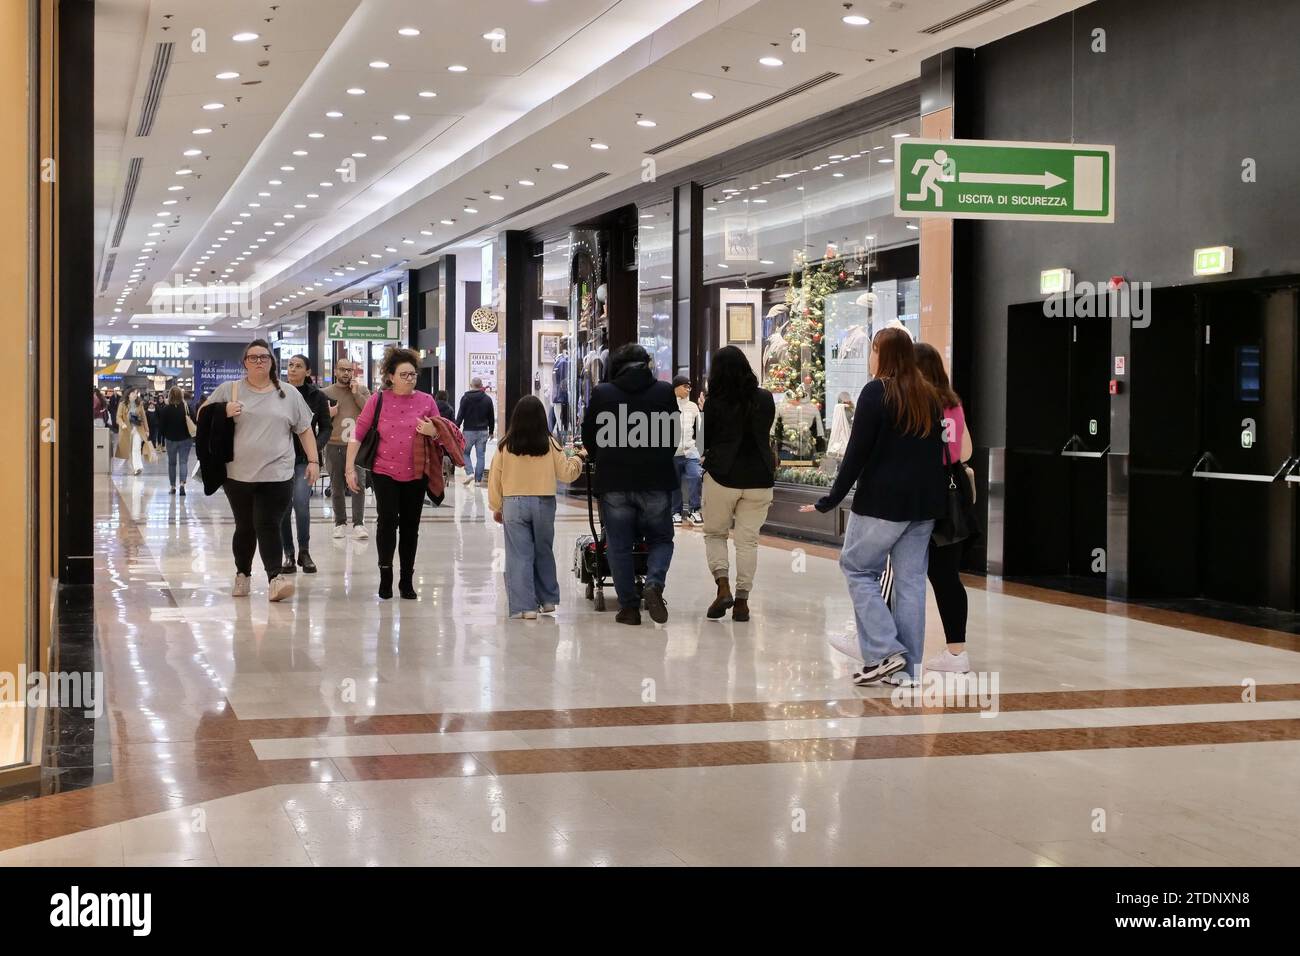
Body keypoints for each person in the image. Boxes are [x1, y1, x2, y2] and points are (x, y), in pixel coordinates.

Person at [799, 327, 946, 685]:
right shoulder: (928, 394)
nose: (870, 356)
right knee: (910, 584)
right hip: (923, 506)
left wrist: (831, 498)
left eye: (874, 349)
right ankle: (908, 671)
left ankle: (884, 651)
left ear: (884, 354)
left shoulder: (876, 392)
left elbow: (856, 454)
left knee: (858, 568)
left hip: (882, 503)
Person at [202, 340, 320, 602]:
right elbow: (201, 416)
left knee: (268, 523)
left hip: (278, 474)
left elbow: (304, 429)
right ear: (244, 362)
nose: (258, 362)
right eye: (253, 357)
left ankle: (275, 578)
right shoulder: (229, 389)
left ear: (271, 362)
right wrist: (223, 410)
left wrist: (313, 461)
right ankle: (242, 574)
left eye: (264, 357)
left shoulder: (289, 394)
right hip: (237, 475)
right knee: (245, 526)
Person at [580, 343, 678, 626]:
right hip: (656, 479)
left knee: (619, 545)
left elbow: (590, 435)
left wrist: (605, 458)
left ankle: (629, 608)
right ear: (647, 364)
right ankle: (654, 583)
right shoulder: (663, 391)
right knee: (660, 539)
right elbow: (672, 435)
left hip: (614, 481)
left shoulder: (603, 393)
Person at [345, 347, 441, 600]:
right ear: (390, 376)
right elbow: (358, 434)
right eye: (404, 375)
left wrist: (433, 431)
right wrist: (349, 469)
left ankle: (406, 579)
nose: (410, 379)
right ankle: (385, 574)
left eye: (413, 374)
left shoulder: (427, 401)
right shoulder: (378, 400)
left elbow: (441, 434)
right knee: (387, 522)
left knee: (411, 527)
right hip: (384, 471)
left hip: (417, 472)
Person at [489, 395, 584, 619]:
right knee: (543, 551)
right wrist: (579, 458)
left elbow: (495, 478)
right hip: (543, 503)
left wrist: (496, 506)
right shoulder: (550, 443)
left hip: (513, 503)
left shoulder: (505, 445)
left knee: (519, 555)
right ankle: (548, 600)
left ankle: (526, 607)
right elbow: (567, 474)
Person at [699, 347, 776, 623]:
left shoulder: (714, 402)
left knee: (716, 534)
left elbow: (702, 443)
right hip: (760, 478)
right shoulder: (766, 398)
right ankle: (742, 601)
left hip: (723, 476)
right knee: (748, 541)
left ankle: (723, 587)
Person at [915, 342, 974, 674]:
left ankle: (885, 644)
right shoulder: (954, 404)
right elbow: (962, 450)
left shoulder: (920, 403)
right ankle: (957, 651)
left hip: (923, 492)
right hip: (952, 496)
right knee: (946, 575)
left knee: (903, 571)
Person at [278, 355, 332, 574]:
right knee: (283, 507)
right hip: (280, 458)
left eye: (298, 366)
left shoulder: (317, 396)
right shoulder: (278, 393)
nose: (292, 369)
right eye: (290, 365)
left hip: (303, 460)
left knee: (301, 502)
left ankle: (304, 551)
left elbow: (327, 427)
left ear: (307, 372)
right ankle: (288, 554)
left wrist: (314, 449)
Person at [320, 357, 371, 539]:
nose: (346, 373)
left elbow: (370, 412)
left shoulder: (362, 390)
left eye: (349, 370)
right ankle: (340, 522)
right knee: (337, 485)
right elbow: (318, 419)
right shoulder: (326, 392)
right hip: (334, 444)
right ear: (335, 371)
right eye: (342, 370)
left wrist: (357, 394)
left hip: (357, 446)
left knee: (358, 484)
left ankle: (359, 523)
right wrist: (328, 414)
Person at [670, 374, 704, 526]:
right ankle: (675, 512)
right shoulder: (668, 405)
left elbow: (700, 430)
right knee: (674, 483)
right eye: (685, 386)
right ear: (676, 387)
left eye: (689, 386)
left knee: (696, 476)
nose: (688, 389)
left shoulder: (693, 407)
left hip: (691, 451)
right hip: (673, 452)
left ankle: (694, 510)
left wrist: (701, 450)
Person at [455, 377, 495, 485]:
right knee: (480, 455)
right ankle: (478, 480)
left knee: (464, 452)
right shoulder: (487, 399)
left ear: (471, 385)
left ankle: (469, 473)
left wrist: (455, 428)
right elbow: (491, 417)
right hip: (483, 431)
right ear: (481, 385)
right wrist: (491, 431)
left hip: (468, 431)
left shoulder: (465, 398)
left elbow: (460, 415)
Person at [158, 386, 196, 495]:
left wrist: (162, 438)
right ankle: (182, 485)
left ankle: (173, 487)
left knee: (172, 463)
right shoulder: (186, 407)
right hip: (185, 439)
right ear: (181, 395)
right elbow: (194, 421)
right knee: (183, 462)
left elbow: (161, 427)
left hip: (171, 440)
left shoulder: (166, 409)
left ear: (169, 396)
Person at [114, 388, 147, 475]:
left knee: (136, 448)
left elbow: (144, 418)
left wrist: (146, 430)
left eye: (137, 393)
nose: (135, 394)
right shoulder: (122, 404)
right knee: (129, 450)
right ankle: (133, 465)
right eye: (133, 393)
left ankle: (138, 467)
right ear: (128, 394)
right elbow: (118, 417)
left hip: (137, 429)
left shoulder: (139, 404)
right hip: (126, 430)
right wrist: (122, 424)